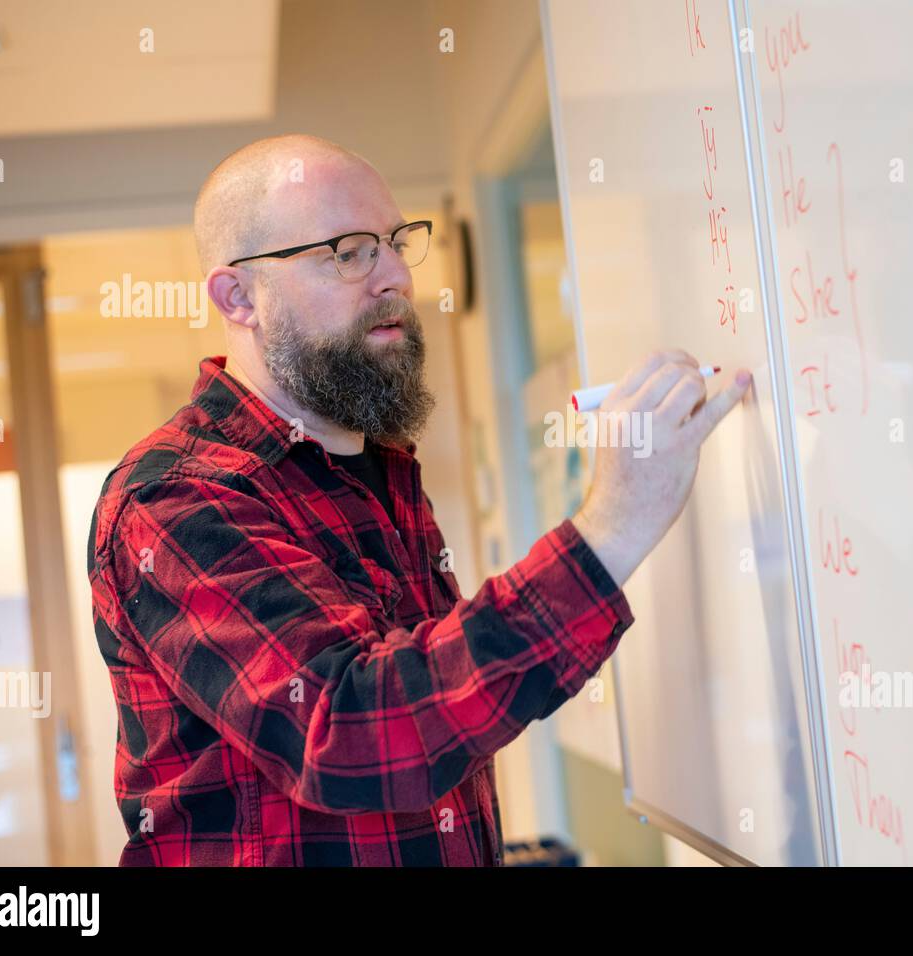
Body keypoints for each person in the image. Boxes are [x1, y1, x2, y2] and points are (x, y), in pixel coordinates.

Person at [86, 133, 752, 866]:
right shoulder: (175, 498)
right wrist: (613, 526)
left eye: (398, 243)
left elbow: (443, 722)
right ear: (238, 296)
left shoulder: (383, 472)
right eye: (348, 251)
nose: (396, 275)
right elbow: (351, 730)